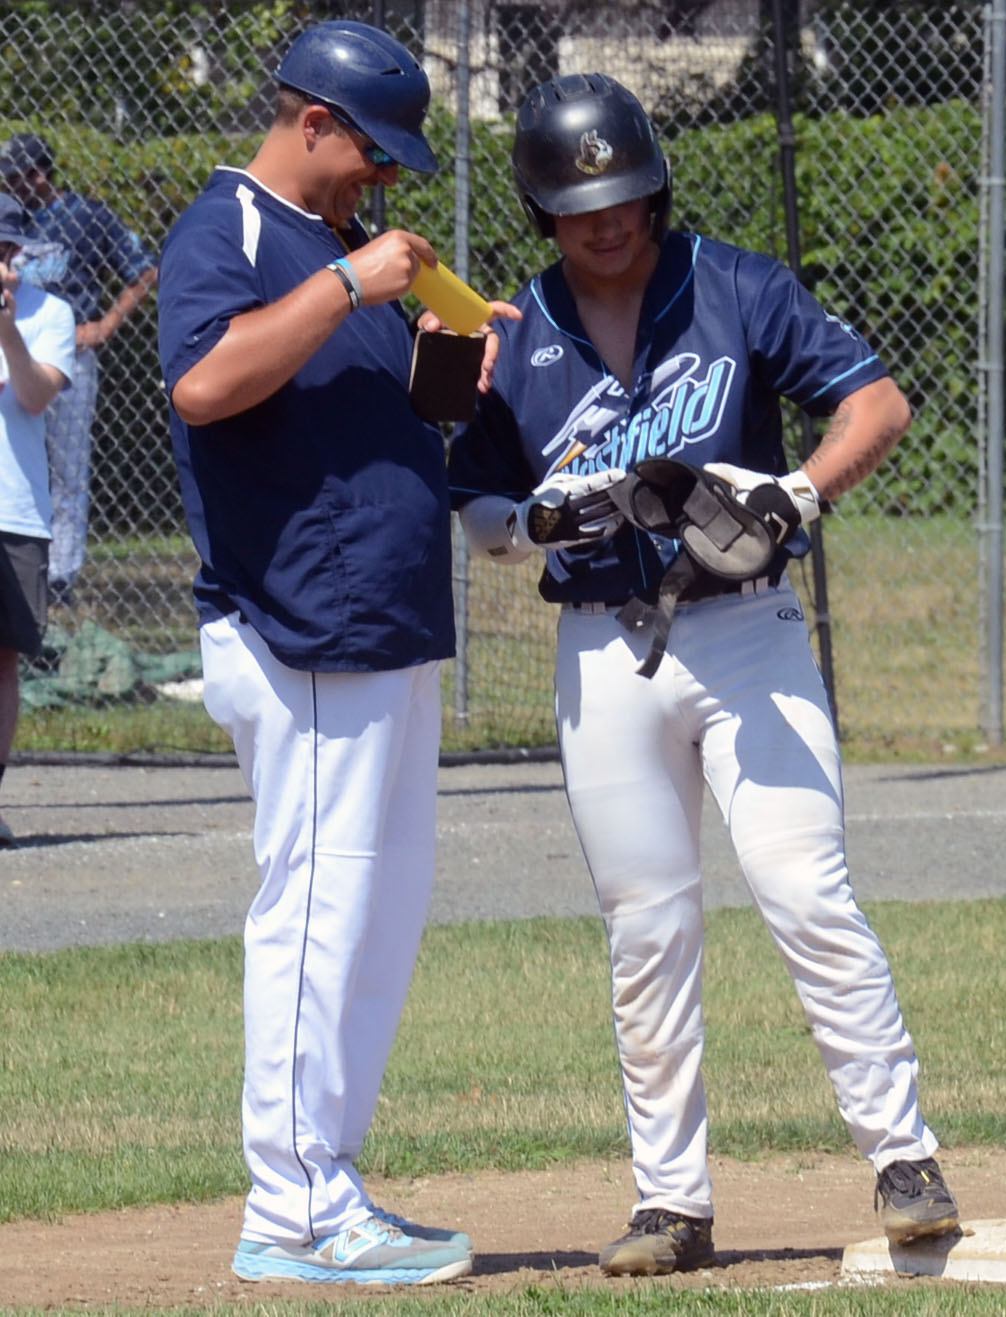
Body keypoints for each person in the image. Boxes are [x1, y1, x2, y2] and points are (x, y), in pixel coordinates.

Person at [449, 73, 960, 1277]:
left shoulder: (734, 285)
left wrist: (798, 492)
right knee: (646, 930)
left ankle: (903, 1158)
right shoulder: (514, 331)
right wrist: (531, 523)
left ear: (654, 188)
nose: (606, 222)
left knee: (803, 891)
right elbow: (473, 503)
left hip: (746, 629)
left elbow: (874, 404)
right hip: (604, 651)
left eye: (624, 196)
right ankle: (670, 1204)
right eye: (579, 207)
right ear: (541, 213)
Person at [156, 20, 517, 1287]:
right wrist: (348, 289)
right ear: (310, 120)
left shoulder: (338, 250)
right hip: (299, 622)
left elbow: (403, 418)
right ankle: (290, 1208)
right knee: (315, 913)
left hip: (382, 625)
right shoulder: (235, 229)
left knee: (374, 915)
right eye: (372, 150)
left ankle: (330, 1182)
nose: (385, 178)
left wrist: (459, 356)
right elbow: (204, 382)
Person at [0, 130, 157, 605]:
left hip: (69, 357)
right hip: (14, 353)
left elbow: (145, 271)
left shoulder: (87, 216)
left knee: (68, 470)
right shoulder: (12, 217)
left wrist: (106, 325)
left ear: (39, 174)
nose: (8, 183)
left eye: (15, 175)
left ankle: (61, 577)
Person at [0, 192, 75, 846]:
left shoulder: (51, 314)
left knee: (3, 659)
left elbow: (32, 394)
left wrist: (6, 328)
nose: (6, 265)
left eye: (10, 252)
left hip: (15, 508)